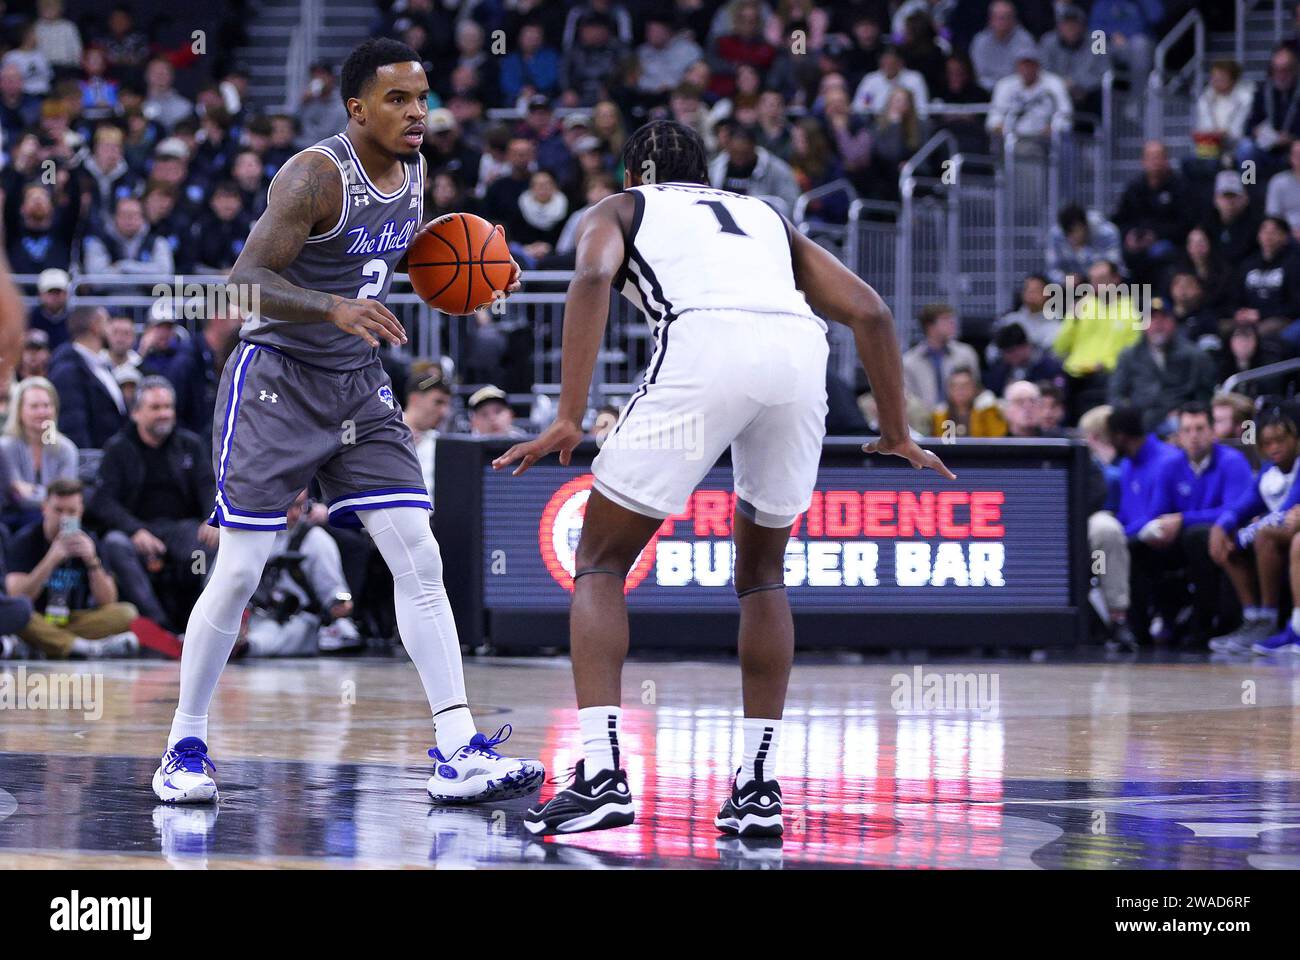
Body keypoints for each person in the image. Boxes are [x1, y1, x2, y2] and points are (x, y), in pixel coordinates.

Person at [493, 119, 953, 837]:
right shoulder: (764, 214)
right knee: (763, 575)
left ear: (634, 173)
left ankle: (603, 775)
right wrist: (896, 431)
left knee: (601, 559)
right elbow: (870, 311)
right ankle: (759, 787)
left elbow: (589, 277)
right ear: (704, 172)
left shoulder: (621, 207)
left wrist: (569, 416)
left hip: (702, 345)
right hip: (798, 356)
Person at [149, 39, 540, 807]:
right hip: (277, 384)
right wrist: (331, 306)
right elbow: (241, 284)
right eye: (398, 100)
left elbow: (405, 254)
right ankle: (184, 745)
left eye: (423, 97)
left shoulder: (417, 166)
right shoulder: (311, 175)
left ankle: (458, 749)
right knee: (238, 569)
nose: (418, 111)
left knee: (419, 560)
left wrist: (488, 263)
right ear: (357, 108)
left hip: (357, 385)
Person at [89, 377, 217, 631]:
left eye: (168, 407)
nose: (164, 414)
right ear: (136, 413)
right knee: (115, 545)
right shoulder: (118, 449)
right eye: (156, 408)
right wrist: (135, 530)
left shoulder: (189, 445)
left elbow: (208, 487)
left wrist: (212, 518)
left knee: (207, 546)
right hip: (136, 531)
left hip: (181, 529)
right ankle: (158, 625)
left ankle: (201, 622)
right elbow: (102, 501)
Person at [1128, 402, 1253, 646]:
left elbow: (1235, 511)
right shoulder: (1169, 467)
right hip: (1181, 543)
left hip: (1224, 539)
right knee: (1138, 546)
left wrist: (1183, 519)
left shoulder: (1232, 462)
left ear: (1212, 432)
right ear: (1178, 435)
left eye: (1200, 428)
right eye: (1187, 430)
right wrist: (1133, 534)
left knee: (1196, 536)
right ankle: (1139, 632)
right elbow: (1157, 514)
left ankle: (1202, 627)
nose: (1193, 436)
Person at [4, 478, 138, 659]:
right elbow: (17, 596)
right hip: (37, 617)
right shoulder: (25, 541)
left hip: (74, 618)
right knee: (19, 615)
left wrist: (92, 561)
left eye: (71, 512)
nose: (64, 518)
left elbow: (108, 600)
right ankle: (86, 647)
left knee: (127, 613)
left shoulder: (89, 540)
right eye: (58, 510)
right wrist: (51, 560)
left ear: (81, 512)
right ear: (44, 508)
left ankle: (50, 643)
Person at [1206, 406, 1300, 652]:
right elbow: (1244, 504)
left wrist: (1245, 536)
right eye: (1267, 443)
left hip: (1289, 532)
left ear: (1296, 438)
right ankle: (1253, 617)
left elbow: (1288, 510)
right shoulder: (1269, 471)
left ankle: (1270, 619)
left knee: (1263, 534)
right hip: (1281, 530)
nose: (1274, 448)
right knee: (1226, 539)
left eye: (1280, 440)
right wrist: (1221, 526)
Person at [242, 491, 363, 656]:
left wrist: (340, 604)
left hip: (296, 619)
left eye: (300, 506)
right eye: (288, 506)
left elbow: (335, 591)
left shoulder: (316, 540)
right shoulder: (247, 536)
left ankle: (246, 647)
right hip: (254, 615)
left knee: (278, 635)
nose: (294, 514)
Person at [1107, 298, 1217, 432]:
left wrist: (1186, 412)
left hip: (1181, 422)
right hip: (1140, 420)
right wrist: (1131, 415)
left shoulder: (1195, 356)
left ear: (1173, 322)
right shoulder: (1129, 356)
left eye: (1164, 318)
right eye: (1152, 319)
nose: (1158, 324)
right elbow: (1116, 395)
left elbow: (1204, 396)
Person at [0, 377, 79, 533]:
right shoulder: (5, 447)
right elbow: (19, 498)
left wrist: (33, 491)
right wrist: (49, 497)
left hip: (61, 522)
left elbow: (68, 500)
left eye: (47, 405)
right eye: (34, 406)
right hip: (16, 522)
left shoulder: (67, 449)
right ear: (19, 410)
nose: (42, 412)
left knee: (75, 529)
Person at [47, 306, 128, 449]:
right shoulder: (68, 370)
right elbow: (73, 426)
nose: (111, 329)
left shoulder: (100, 366)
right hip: (92, 464)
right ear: (95, 326)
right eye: (107, 322)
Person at [901, 303, 980, 410]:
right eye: (945, 319)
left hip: (960, 418)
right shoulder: (909, 362)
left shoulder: (966, 354)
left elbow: (975, 389)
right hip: (924, 421)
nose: (952, 323)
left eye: (951, 318)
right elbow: (909, 398)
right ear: (930, 326)